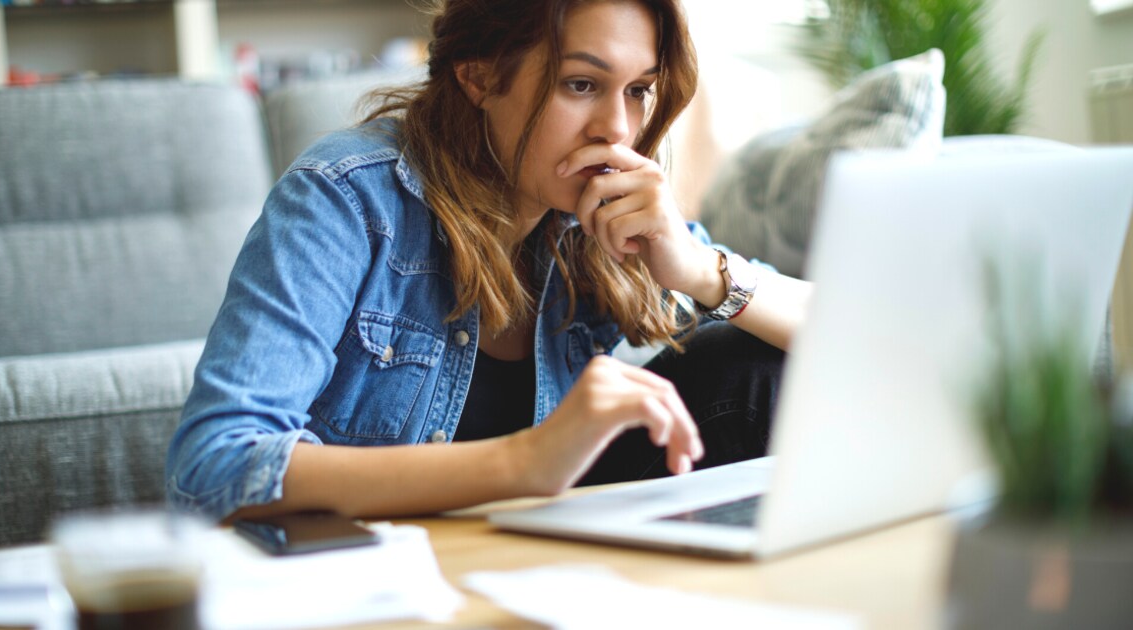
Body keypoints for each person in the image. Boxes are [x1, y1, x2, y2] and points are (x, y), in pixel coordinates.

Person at [165, 0, 813, 522]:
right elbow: (214, 465)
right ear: (479, 74)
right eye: (581, 84)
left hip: (529, 551)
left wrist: (698, 268)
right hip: (375, 570)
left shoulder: (597, 215)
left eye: (639, 90)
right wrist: (526, 462)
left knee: (754, 363)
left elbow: (856, 338)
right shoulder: (346, 197)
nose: (617, 128)